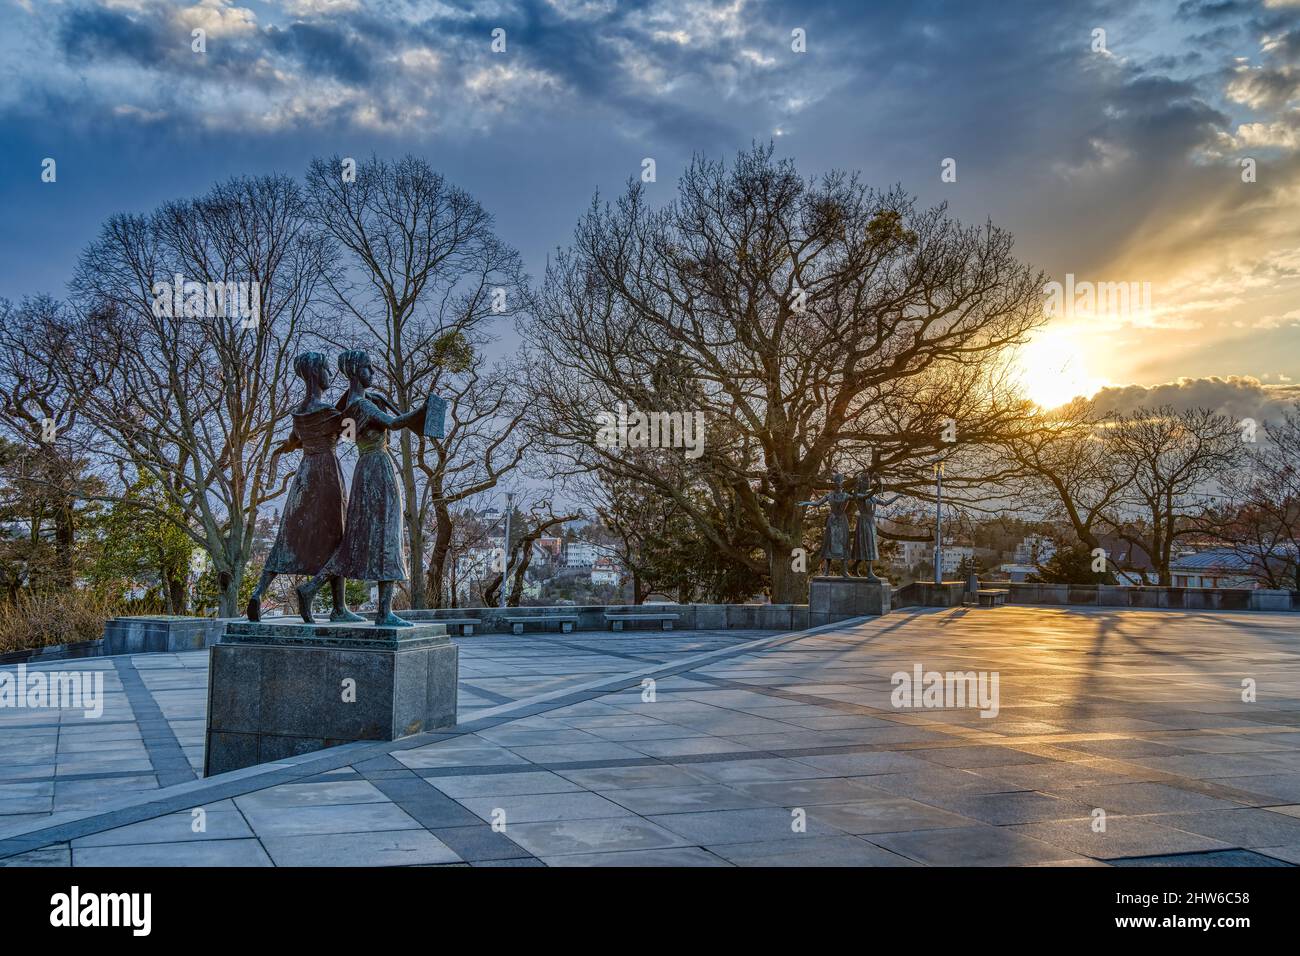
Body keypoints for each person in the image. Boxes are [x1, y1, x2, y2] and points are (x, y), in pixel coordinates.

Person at [296, 350, 428, 627]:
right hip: (378, 469)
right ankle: (384, 613)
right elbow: (394, 423)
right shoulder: (361, 405)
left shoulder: (352, 404)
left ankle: (311, 588)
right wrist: (425, 409)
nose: (373, 373)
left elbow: (349, 431)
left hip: (365, 470)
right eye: (368, 368)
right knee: (387, 537)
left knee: (355, 540)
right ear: (356, 371)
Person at [246, 352, 361, 623]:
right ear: (315, 374)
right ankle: (339, 608)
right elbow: (351, 435)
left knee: (287, 538)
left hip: (304, 475)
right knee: (337, 540)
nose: (329, 375)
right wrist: (353, 399)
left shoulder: (299, 413)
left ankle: (258, 592)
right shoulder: (328, 412)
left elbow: (295, 440)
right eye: (326, 369)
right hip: (327, 476)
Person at [799, 473, 852, 577]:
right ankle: (826, 570)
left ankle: (844, 571)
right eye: (836, 481)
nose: (838, 483)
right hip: (832, 521)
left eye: (840, 481)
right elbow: (817, 503)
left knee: (844, 544)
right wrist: (806, 503)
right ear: (834, 483)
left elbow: (859, 497)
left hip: (842, 521)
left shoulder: (846, 496)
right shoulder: (829, 495)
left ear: (842, 483)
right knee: (829, 545)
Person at [851, 471, 900, 581]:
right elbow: (855, 496)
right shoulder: (860, 495)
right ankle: (869, 572)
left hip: (870, 522)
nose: (868, 483)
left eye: (869, 481)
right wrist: (856, 484)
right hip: (863, 522)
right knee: (867, 546)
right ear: (862, 483)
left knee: (869, 546)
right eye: (866, 482)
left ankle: (855, 566)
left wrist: (897, 496)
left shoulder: (872, 497)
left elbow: (885, 503)